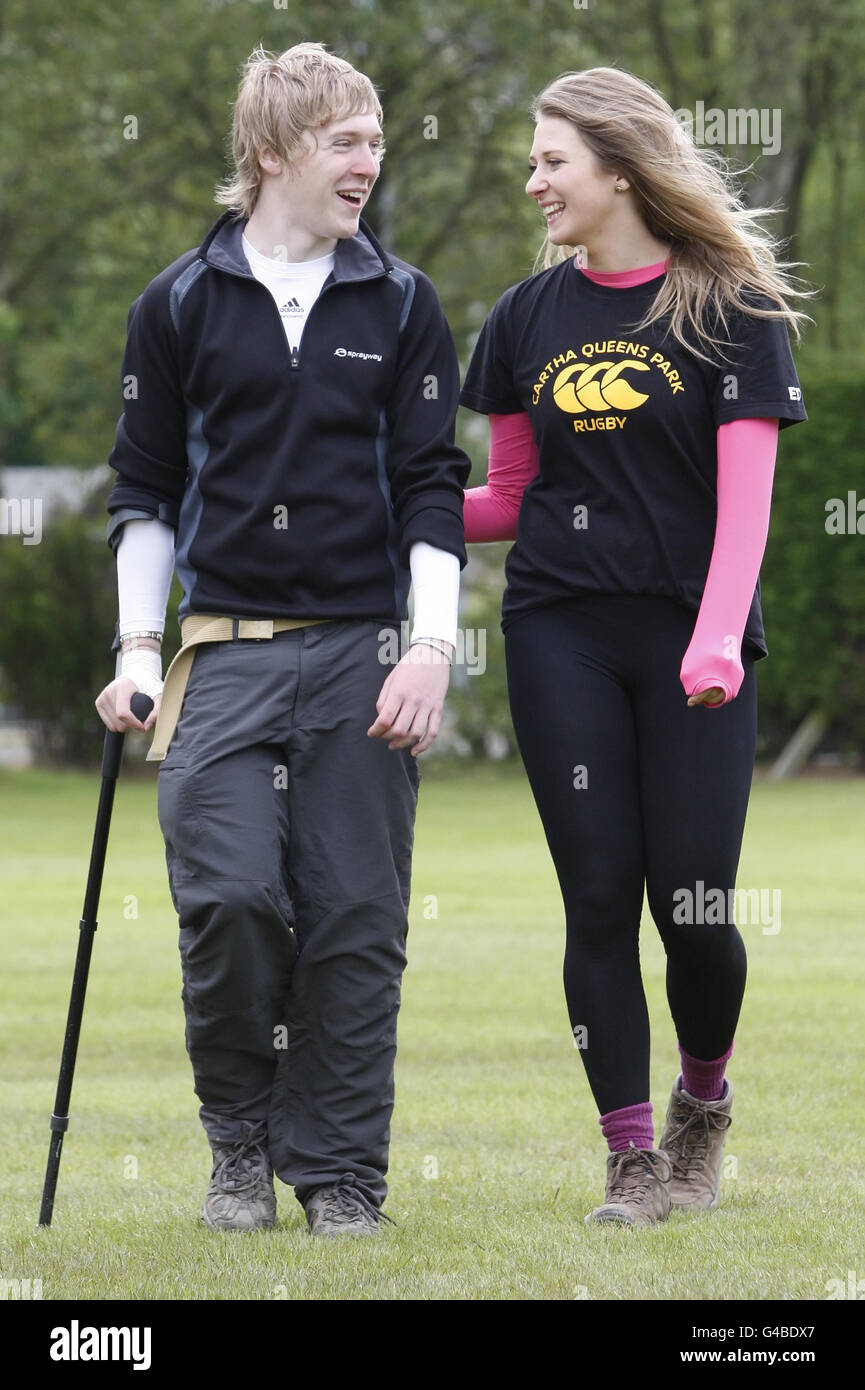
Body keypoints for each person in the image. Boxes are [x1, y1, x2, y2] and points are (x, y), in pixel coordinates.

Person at [95, 43, 469, 1236]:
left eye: (375, 138)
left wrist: (429, 645)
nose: (370, 160)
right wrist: (135, 652)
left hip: (364, 651)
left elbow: (431, 488)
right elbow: (142, 495)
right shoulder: (180, 302)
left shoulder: (402, 302)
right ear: (272, 153)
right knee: (232, 898)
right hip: (222, 650)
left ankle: (345, 1177)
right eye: (346, 140)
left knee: (357, 913)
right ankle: (239, 1147)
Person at [460, 66, 809, 1225]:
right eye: (531, 161)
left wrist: (716, 638)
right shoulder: (521, 320)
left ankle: (700, 1102)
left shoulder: (730, 305)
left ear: (617, 165)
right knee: (599, 897)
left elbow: (747, 500)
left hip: (688, 634)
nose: (533, 182)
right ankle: (630, 1160)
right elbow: (509, 495)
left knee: (695, 905)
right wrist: (387, 508)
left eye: (549, 161)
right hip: (559, 627)